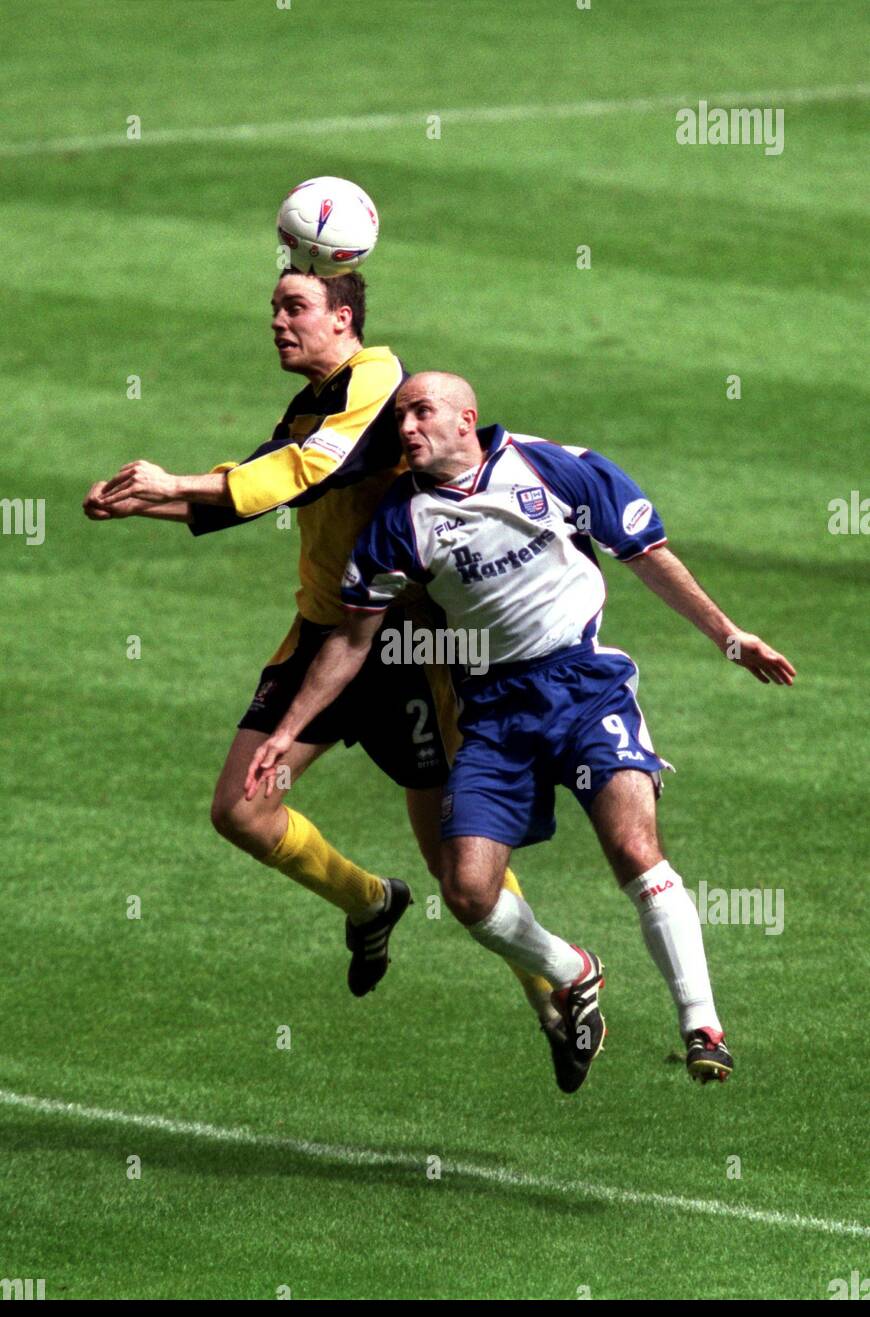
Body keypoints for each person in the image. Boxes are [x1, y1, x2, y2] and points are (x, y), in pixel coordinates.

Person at [244, 371, 797, 1085]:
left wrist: (730, 636)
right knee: (469, 894)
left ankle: (702, 1025)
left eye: (422, 413)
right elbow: (351, 643)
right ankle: (574, 970)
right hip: (495, 713)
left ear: (466, 418)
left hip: (586, 688)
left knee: (633, 847)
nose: (406, 427)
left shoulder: (552, 465)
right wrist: (288, 729)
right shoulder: (399, 521)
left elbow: (647, 556)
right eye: (401, 417)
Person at [81, 274, 559, 1047]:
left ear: (342, 318)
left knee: (454, 855)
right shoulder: (313, 403)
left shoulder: (374, 379)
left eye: (292, 307)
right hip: (322, 635)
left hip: (402, 646)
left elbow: (308, 470)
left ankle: (552, 992)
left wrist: (174, 480)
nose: (275, 321)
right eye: (274, 307)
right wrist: (149, 504)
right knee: (241, 809)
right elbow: (265, 486)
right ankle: (370, 902)